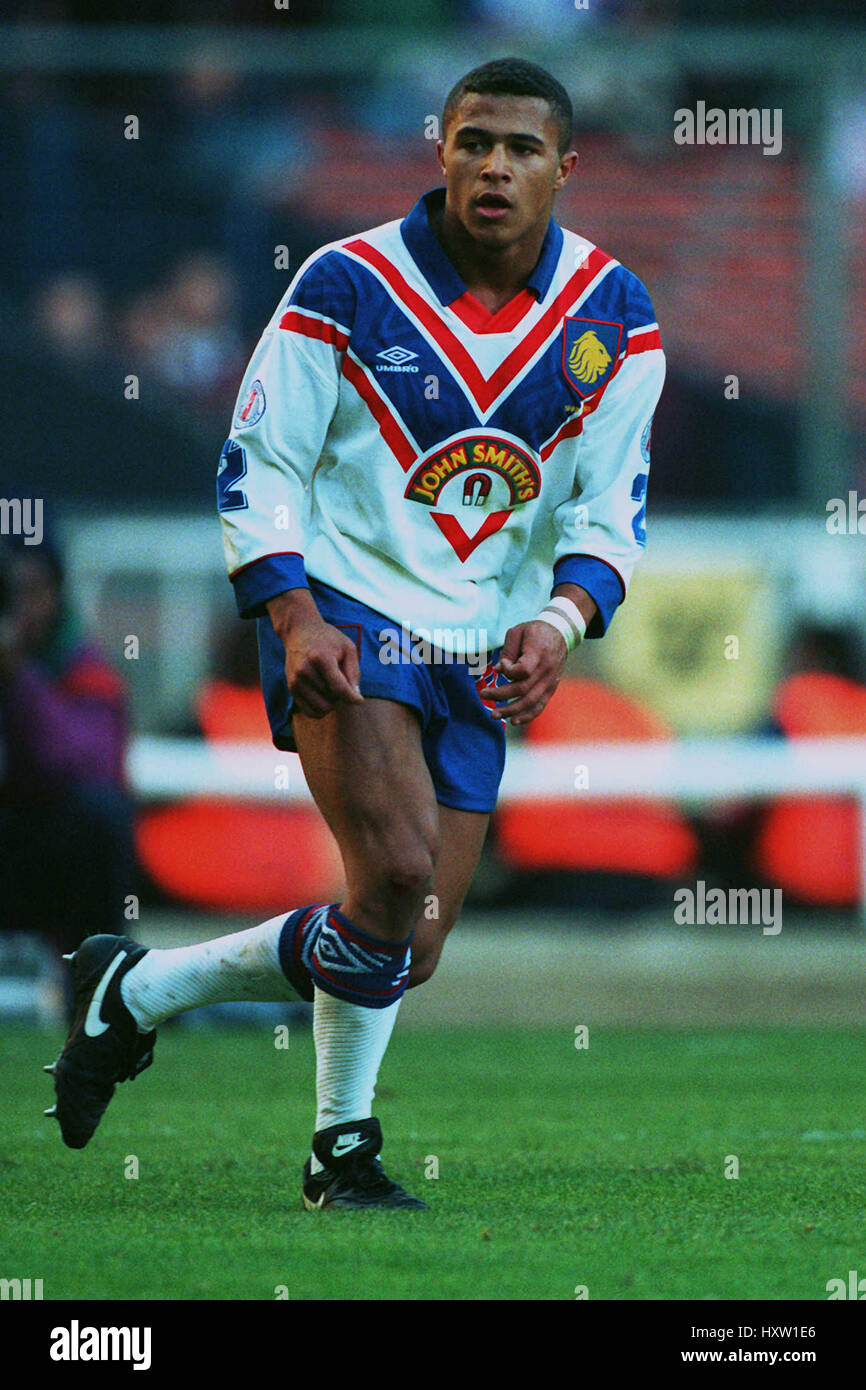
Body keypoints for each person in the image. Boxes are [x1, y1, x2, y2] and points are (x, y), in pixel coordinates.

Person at [45, 58, 665, 1210]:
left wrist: (560, 616)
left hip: (482, 650)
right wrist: (291, 613)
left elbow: (607, 506)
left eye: (521, 149)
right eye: (474, 141)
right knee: (392, 872)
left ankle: (132, 992)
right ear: (438, 150)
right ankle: (341, 1155)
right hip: (350, 618)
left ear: (565, 169)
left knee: (403, 940)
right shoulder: (345, 283)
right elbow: (260, 463)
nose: (494, 166)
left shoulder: (616, 318)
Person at [0, 531, 133, 1006]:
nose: (18, 608)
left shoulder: (82, 670)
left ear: (57, 594)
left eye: (28, 590)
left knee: (98, 819)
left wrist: (17, 678)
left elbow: (89, 770)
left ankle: (95, 1005)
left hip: (31, 860)